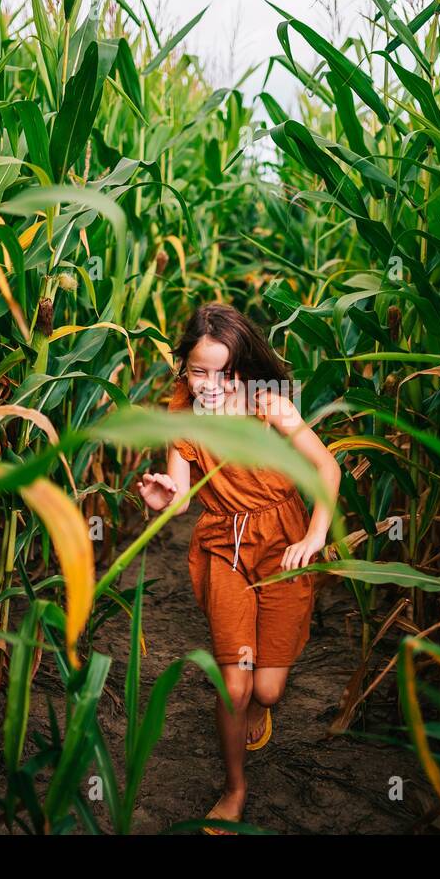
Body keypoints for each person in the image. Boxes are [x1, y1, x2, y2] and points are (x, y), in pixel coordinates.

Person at [136, 302, 342, 834]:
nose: (208, 383)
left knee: (266, 691)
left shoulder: (269, 407)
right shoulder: (182, 418)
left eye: (222, 372)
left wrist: (316, 535)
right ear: (184, 366)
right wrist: (165, 500)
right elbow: (182, 495)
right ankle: (235, 788)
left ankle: (260, 704)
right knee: (235, 686)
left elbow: (326, 467)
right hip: (222, 545)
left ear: (243, 369)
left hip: (282, 540)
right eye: (197, 370)